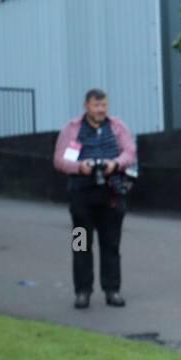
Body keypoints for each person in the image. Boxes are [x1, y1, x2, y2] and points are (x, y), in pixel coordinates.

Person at [52, 89, 136, 309]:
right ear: (86, 106)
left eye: (103, 106)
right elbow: (59, 160)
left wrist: (115, 164)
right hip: (81, 196)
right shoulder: (71, 129)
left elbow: (130, 152)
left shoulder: (118, 127)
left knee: (111, 244)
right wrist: (81, 167)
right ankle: (82, 291)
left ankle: (112, 290)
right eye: (96, 105)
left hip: (111, 195)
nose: (100, 110)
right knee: (80, 244)